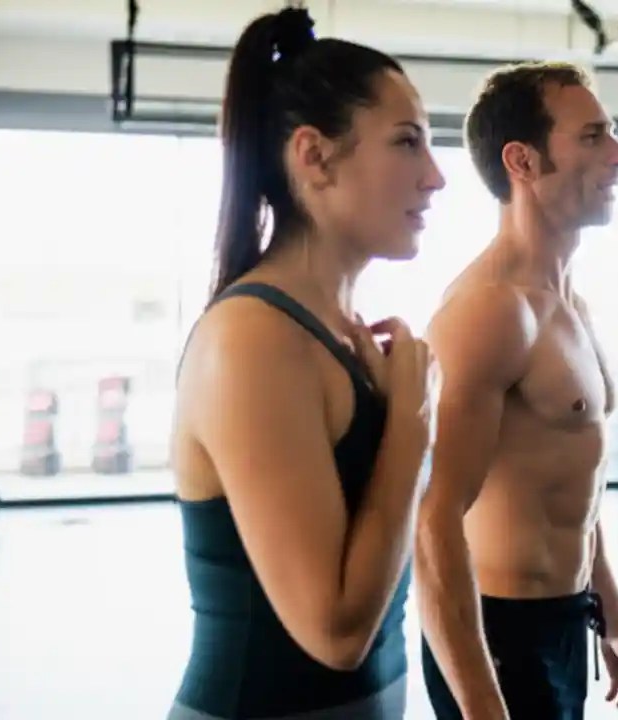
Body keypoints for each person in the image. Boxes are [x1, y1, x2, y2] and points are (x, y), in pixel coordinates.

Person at [167, 8, 444, 720]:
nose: (436, 177)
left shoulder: (337, 331)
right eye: (408, 143)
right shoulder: (252, 340)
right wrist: (412, 428)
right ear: (315, 156)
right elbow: (335, 632)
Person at [415, 62, 618, 718]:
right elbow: (432, 518)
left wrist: (612, 620)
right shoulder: (488, 311)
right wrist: (477, 701)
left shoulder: (569, 303)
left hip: (562, 621)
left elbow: (573, 486)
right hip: (499, 637)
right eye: (593, 137)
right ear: (522, 160)